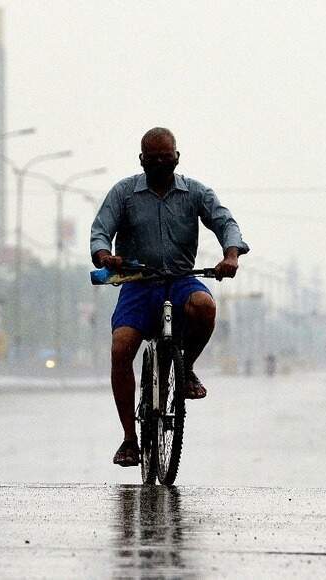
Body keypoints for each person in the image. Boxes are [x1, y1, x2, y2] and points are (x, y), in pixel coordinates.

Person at [90, 127, 250, 467]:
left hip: (180, 281)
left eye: (167, 158)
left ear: (177, 157)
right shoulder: (124, 193)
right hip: (138, 283)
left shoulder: (195, 193)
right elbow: (101, 230)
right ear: (142, 160)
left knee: (205, 307)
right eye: (153, 159)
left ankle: (186, 368)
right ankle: (129, 439)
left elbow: (225, 222)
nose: (161, 164)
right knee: (121, 349)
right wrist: (105, 256)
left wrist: (231, 255)